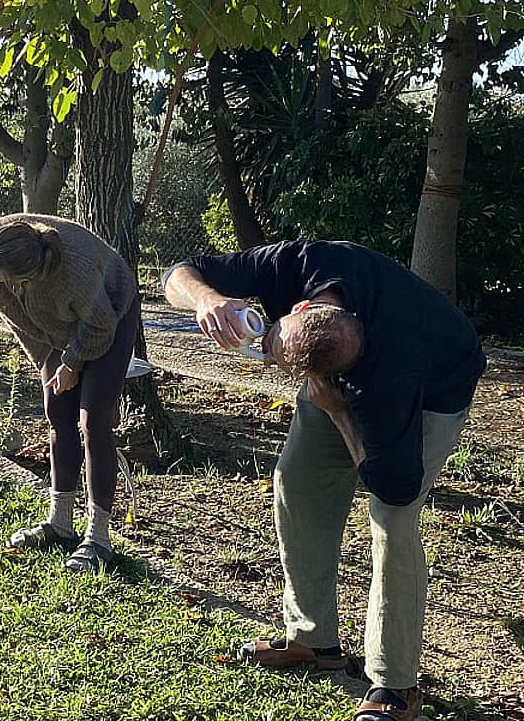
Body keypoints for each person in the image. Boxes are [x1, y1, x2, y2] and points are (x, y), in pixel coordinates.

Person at [164, 240, 485, 721]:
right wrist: (208, 300)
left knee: (393, 521)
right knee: (297, 482)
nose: (266, 350)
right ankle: (312, 639)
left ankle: (395, 686)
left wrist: (338, 411)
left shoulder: (389, 377)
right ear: (301, 306)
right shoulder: (304, 262)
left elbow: (392, 485)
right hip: (337, 373)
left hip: (435, 387)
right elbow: (179, 272)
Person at [0, 214, 139, 572]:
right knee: (58, 412)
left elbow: (100, 324)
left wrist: (72, 364)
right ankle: (60, 524)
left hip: (109, 314)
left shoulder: (73, 276)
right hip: (56, 325)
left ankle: (99, 540)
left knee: (93, 422)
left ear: (20, 282)